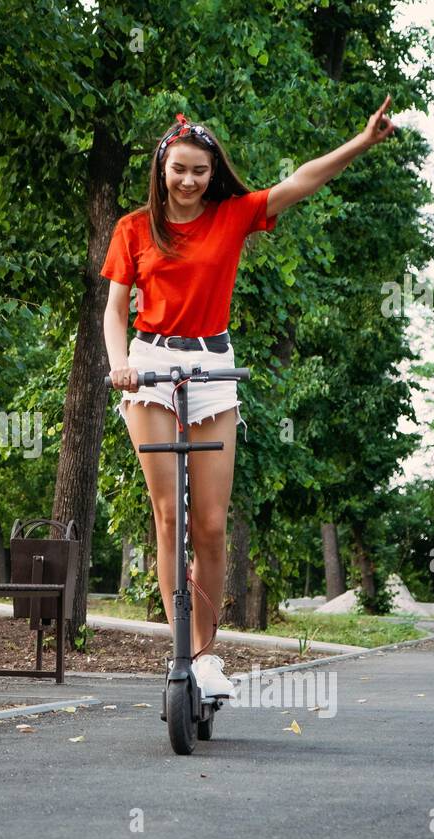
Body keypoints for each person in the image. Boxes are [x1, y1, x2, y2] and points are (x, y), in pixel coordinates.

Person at [100, 95, 397, 701]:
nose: (188, 179)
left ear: (213, 173)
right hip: (152, 364)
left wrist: (362, 142)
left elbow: (300, 181)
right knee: (167, 514)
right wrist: (121, 364)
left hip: (213, 366)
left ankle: (209, 657)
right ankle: (184, 651)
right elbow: (113, 309)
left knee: (209, 524)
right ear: (161, 169)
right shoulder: (133, 228)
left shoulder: (233, 214)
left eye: (199, 170)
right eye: (179, 168)